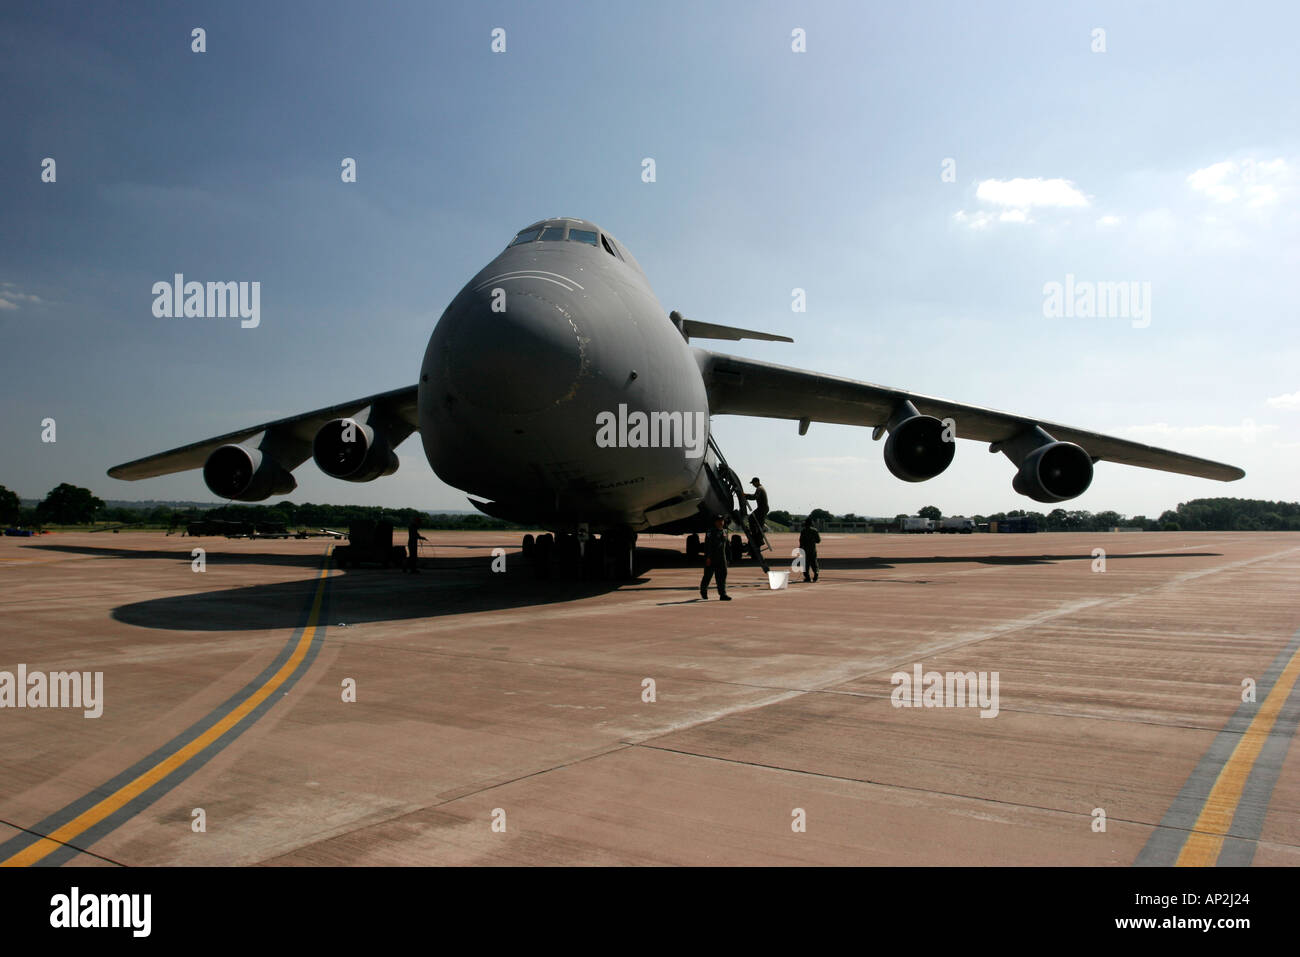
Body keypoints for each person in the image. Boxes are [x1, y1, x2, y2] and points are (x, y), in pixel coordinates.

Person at [699, 514, 732, 601]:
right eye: (719, 521)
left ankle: (723, 594)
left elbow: (727, 546)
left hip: (722, 558)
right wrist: (708, 558)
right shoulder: (711, 532)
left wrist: (728, 558)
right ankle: (703, 591)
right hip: (712, 557)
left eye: (722, 521)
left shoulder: (724, 532)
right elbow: (708, 546)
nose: (721, 522)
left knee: (722, 576)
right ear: (715, 522)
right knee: (707, 576)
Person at [798, 517, 821, 582]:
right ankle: (816, 574)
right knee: (814, 562)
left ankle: (807, 577)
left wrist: (800, 548)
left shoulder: (803, 531)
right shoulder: (815, 530)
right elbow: (818, 541)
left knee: (805, 564)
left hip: (805, 549)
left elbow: (801, 541)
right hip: (812, 550)